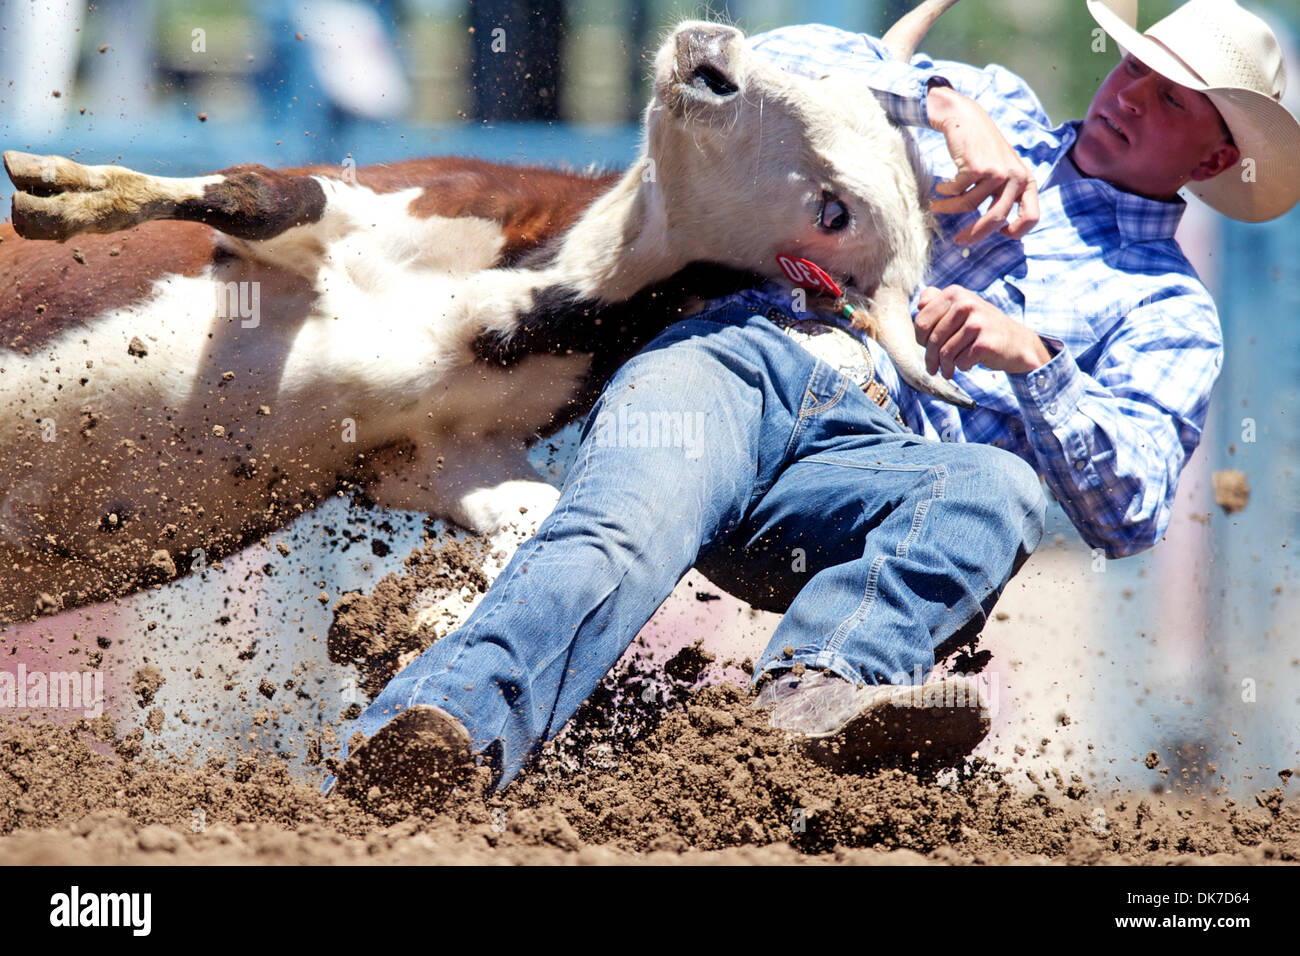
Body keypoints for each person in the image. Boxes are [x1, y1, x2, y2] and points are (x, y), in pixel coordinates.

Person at [329, 0, 1300, 804]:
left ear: (1214, 160)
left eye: (1171, 99)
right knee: (617, 533)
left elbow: (1127, 510)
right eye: (1134, 67)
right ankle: (439, 736)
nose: (1130, 93)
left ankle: (814, 694)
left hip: (865, 472)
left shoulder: (1168, 311)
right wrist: (946, 99)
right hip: (750, 361)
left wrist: (1035, 361)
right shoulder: (995, 104)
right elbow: (756, 65)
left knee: (997, 484)